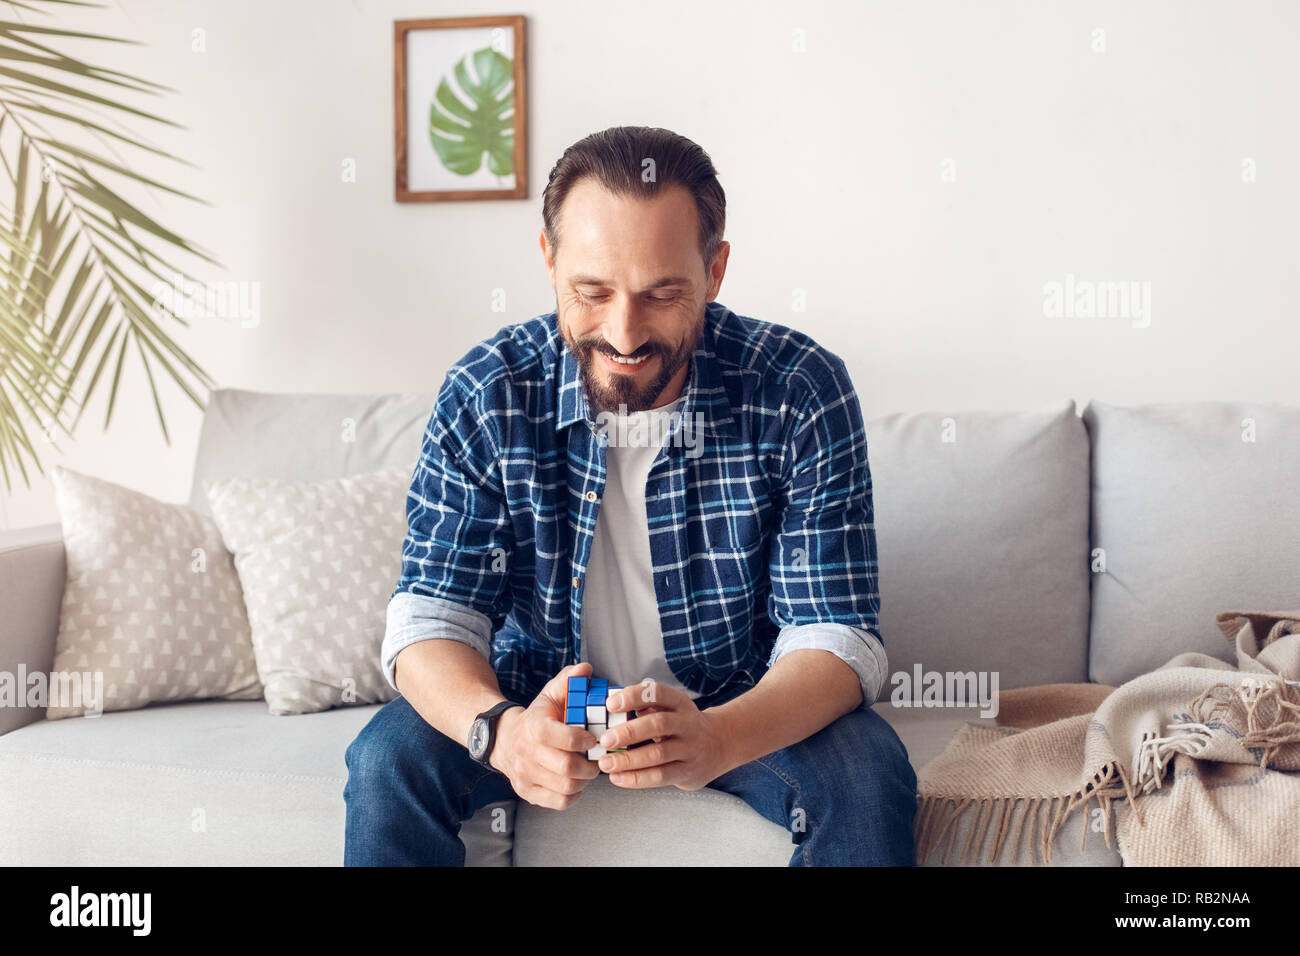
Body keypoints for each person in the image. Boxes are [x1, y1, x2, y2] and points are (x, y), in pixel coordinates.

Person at [343, 125, 916, 866]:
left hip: (734, 694)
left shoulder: (800, 388)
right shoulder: (487, 391)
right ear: (549, 261)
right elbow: (430, 618)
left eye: (661, 293)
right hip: (534, 692)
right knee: (386, 761)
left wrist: (718, 739)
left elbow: (836, 637)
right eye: (592, 291)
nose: (623, 332)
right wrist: (503, 731)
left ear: (714, 271)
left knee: (868, 776)